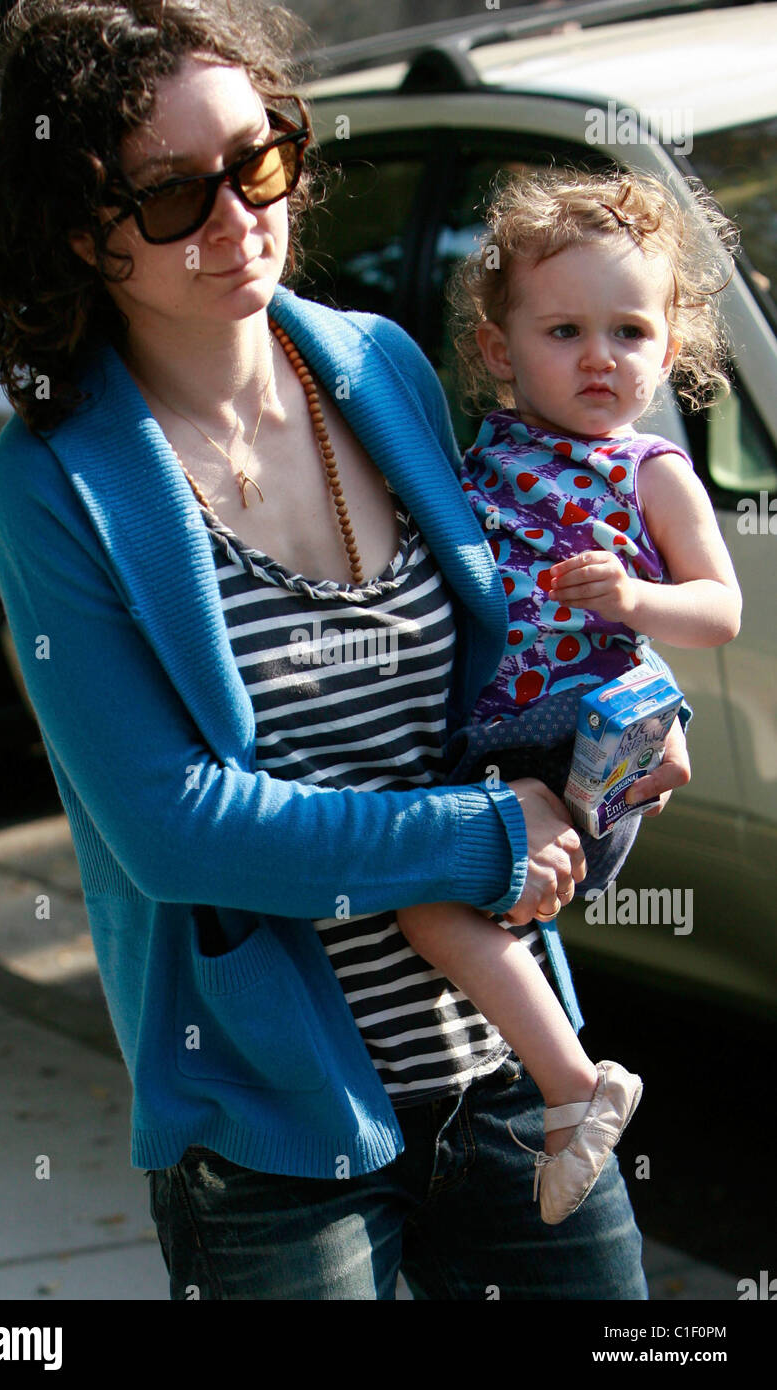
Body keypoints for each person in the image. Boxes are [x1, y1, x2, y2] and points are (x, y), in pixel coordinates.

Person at [0, 0, 690, 1300]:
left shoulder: (380, 366)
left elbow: (504, 660)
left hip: (514, 1070)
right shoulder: (56, 482)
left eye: (260, 160)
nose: (240, 217)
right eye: (174, 194)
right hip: (275, 1129)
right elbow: (175, 827)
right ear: (80, 228)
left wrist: (621, 725)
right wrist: (480, 835)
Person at [397, 169, 741, 1225]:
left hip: (598, 732)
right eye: (562, 331)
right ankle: (566, 1089)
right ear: (499, 353)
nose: (600, 355)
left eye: (629, 330)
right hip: (507, 733)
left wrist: (638, 594)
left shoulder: (651, 473)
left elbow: (719, 610)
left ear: (668, 352)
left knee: (432, 902)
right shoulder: (485, 459)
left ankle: (570, 1089)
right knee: (451, 903)